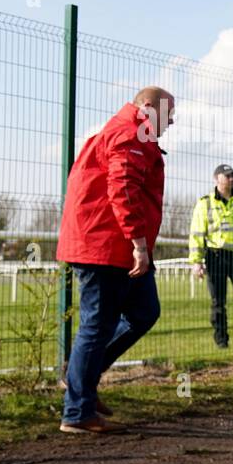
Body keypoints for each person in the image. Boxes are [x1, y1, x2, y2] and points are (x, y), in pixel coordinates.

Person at [56, 87, 173, 433]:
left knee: (143, 312)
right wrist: (139, 243)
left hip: (116, 245)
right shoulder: (130, 133)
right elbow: (122, 188)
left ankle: (81, 378)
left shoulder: (126, 132)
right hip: (105, 245)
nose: (171, 121)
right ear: (148, 108)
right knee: (97, 325)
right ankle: (77, 413)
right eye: (169, 114)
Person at [188, 164, 233, 348]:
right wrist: (196, 262)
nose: (231, 179)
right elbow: (197, 234)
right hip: (216, 257)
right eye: (227, 176)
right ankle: (222, 343)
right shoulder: (205, 203)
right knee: (218, 303)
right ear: (216, 178)